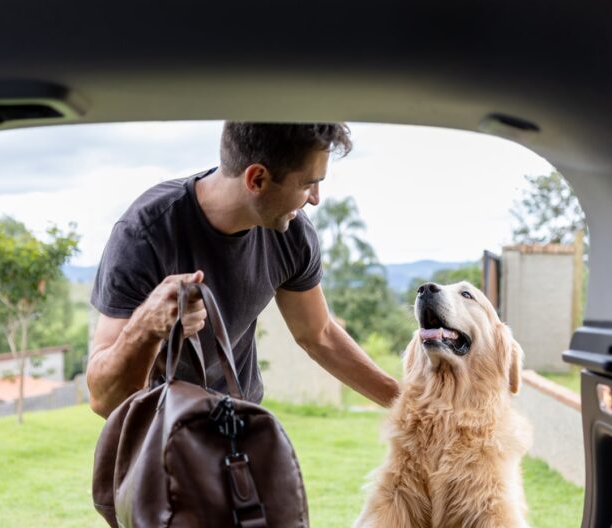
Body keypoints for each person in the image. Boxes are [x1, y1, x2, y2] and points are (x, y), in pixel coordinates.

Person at [87, 122, 400, 417]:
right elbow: (103, 399)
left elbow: (319, 335)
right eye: (308, 185)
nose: (316, 200)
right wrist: (149, 326)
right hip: (157, 436)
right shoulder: (144, 234)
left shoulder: (292, 234)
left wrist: (407, 404)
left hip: (238, 430)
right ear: (257, 180)